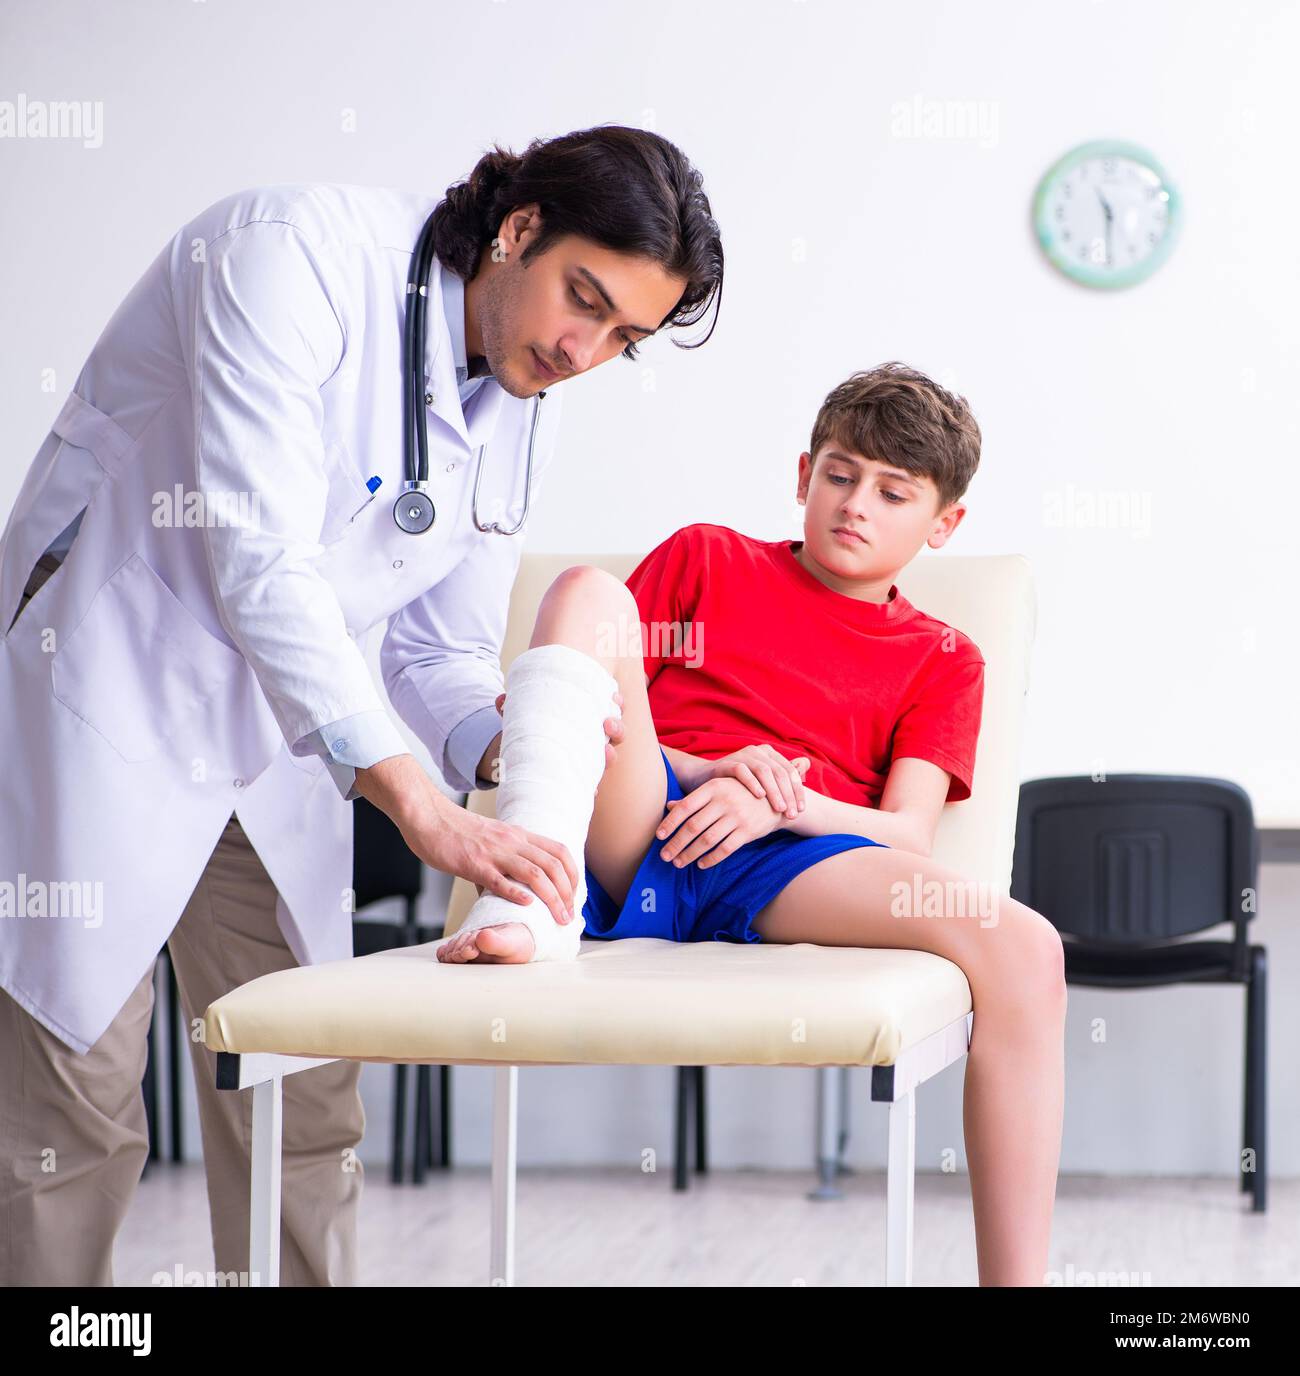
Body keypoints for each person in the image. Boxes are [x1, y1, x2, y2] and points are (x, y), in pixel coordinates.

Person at [0, 124, 724, 1286]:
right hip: (118, 682)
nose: (583, 349)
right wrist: (420, 812)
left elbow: (436, 651)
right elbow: (260, 565)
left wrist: (525, 750)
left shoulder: (518, 391)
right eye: (581, 299)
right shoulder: (285, 256)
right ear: (519, 227)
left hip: (295, 734)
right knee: (79, 1105)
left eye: (622, 336)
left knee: (303, 1088)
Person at [437, 362, 1068, 1287]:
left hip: (797, 863)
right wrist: (716, 770)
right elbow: (585, 707)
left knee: (1026, 948)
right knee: (582, 593)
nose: (856, 504)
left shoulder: (944, 656)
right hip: (640, 817)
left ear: (943, 524)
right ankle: (530, 906)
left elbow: (907, 834)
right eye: (841, 475)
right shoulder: (708, 559)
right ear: (803, 473)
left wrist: (781, 800)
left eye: (894, 493)